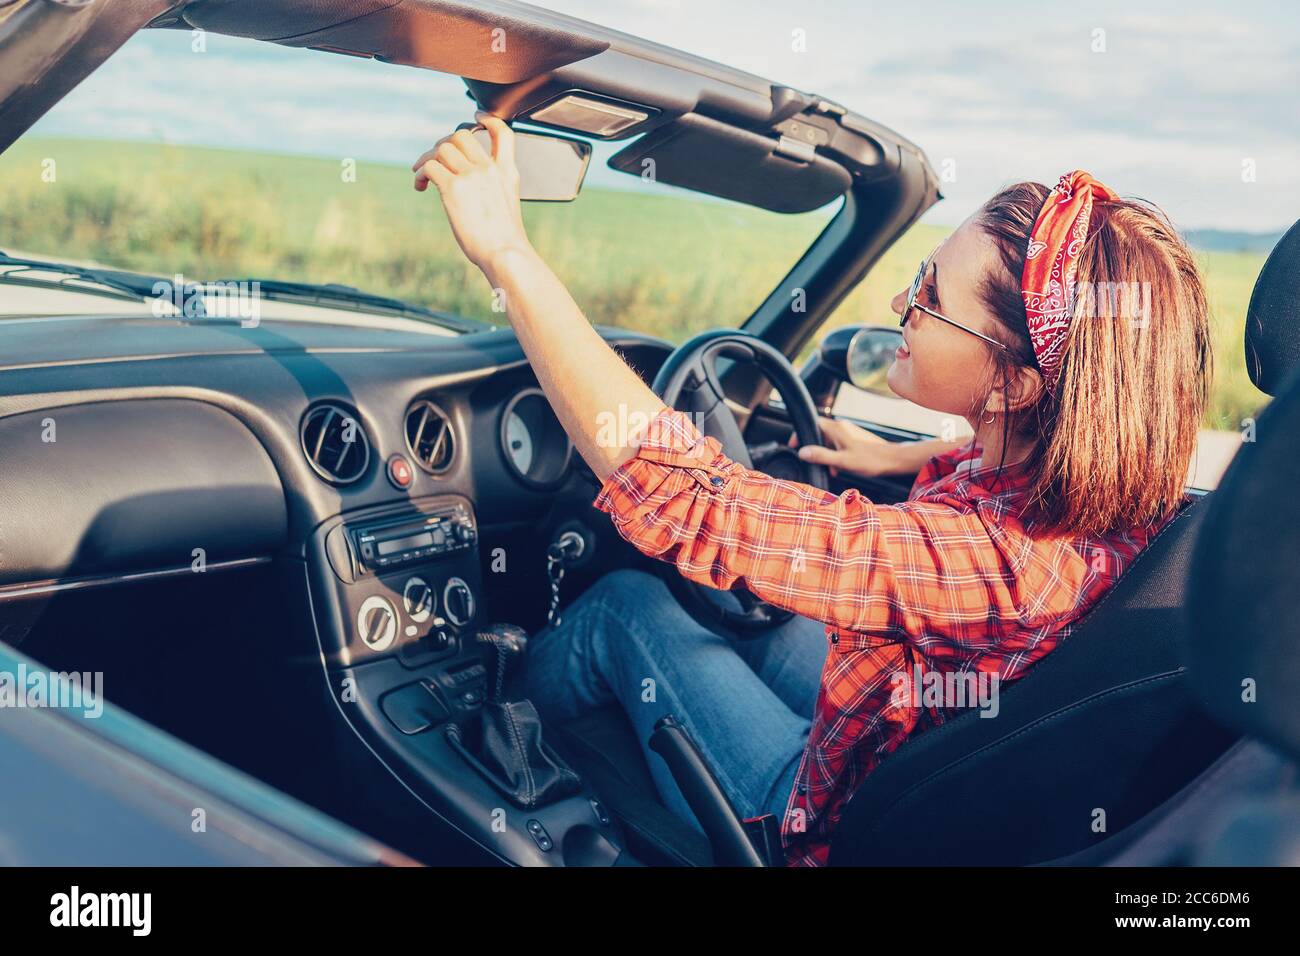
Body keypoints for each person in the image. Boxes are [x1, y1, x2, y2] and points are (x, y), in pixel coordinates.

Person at [412, 113, 1211, 865]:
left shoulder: (969, 561)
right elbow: (988, 505)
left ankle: (475, 733)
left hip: (818, 826)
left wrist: (508, 255)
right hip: (903, 731)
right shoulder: (1139, 508)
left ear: (1012, 388)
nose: (904, 304)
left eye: (931, 299)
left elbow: (690, 500)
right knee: (752, 623)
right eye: (919, 277)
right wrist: (898, 462)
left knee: (629, 605)